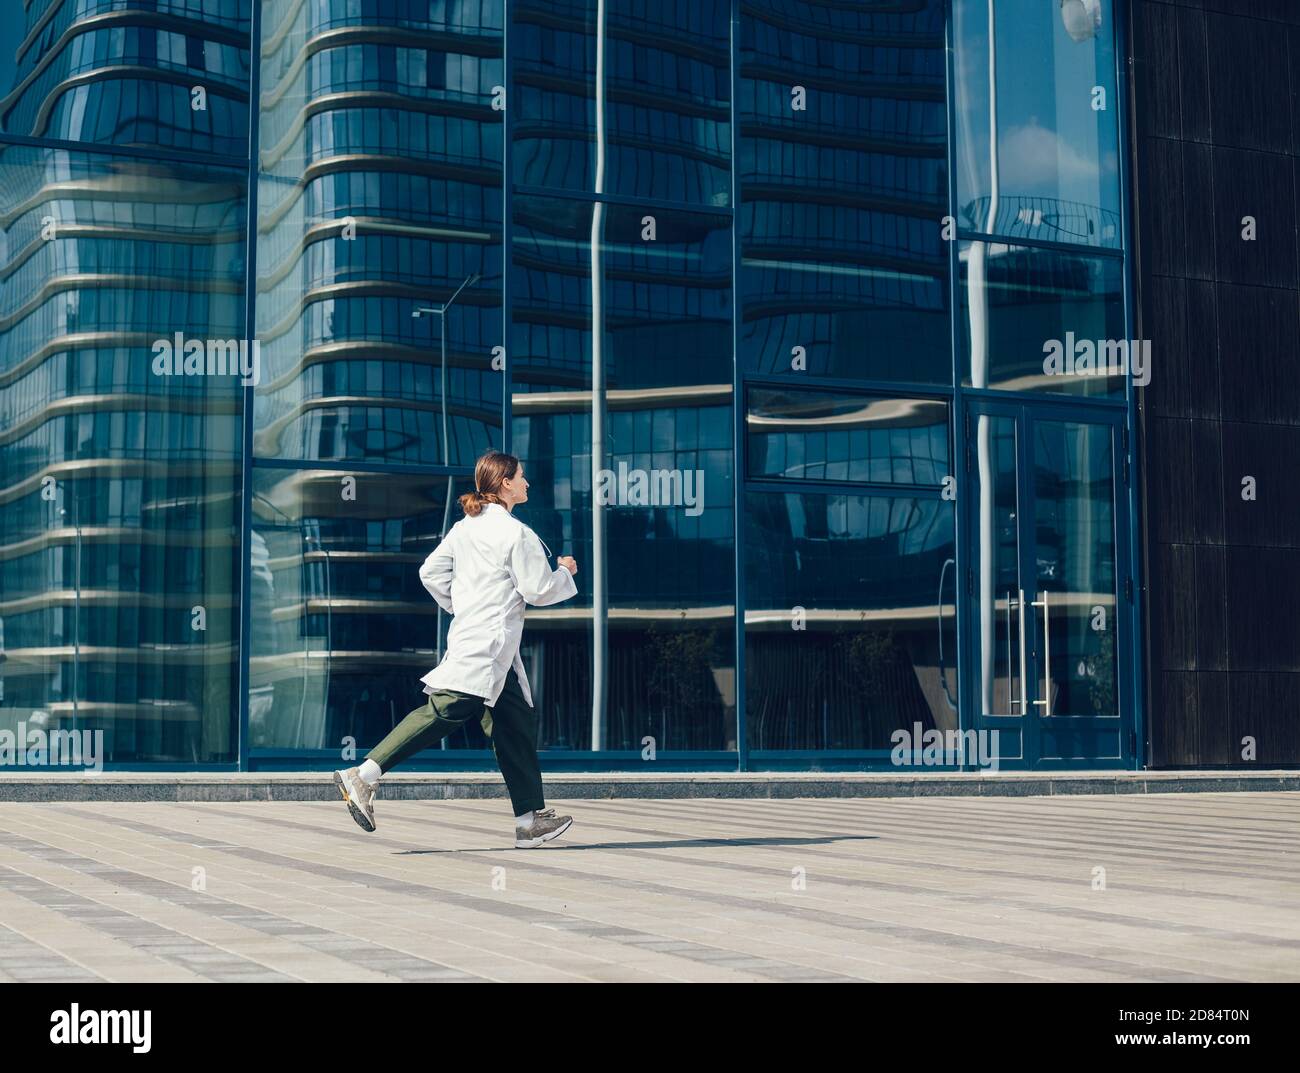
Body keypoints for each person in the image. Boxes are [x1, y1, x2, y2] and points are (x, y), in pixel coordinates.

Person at [334, 450, 579, 848]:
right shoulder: (515, 533)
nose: (527, 483)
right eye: (522, 477)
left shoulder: (466, 527)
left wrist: (461, 605)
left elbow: (429, 572)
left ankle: (529, 820)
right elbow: (537, 589)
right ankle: (363, 776)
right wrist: (564, 573)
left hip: (481, 641)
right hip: (487, 645)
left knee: (514, 724)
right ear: (505, 484)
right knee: (446, 708)